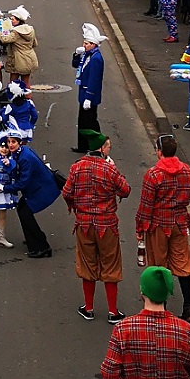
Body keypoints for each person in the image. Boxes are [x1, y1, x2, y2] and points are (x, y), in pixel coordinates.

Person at [63, 130, 133, 319]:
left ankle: (88, 308)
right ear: (102, 149)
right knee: (110, 264)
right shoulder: (110, 169)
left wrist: (77, 206)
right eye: (108, 146)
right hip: (107, 224)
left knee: (87, 263)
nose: (109, 149)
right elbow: (125, 191)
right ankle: (112, 311)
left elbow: (67, 192)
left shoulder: (77, 167)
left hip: (84, 224)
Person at [134, 134, 190, 322]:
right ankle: (189, 306)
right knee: (182, 263)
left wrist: (140, 227)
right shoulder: (187, 171)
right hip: (179, 222)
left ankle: (160, 307)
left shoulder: (154, 175)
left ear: (159, 152)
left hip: (158, 225)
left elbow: (146, 206)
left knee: (158, 264)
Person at [7, 130, 59, 258]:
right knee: (22, 210)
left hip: (42, 190)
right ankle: (32, 239)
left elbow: (23, 183)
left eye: (13, 142)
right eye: (8, 142)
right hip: (38, 188)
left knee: (25, 213)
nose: (10, 145)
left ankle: (42, 246)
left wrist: (5, 187)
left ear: (19, 142)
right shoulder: (22, 152)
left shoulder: (25, 158)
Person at [72, 23, 106, 153]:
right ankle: (83, 146)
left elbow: (94, 79)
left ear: (93, 44)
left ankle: (98, 145)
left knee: (90, 122)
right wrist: (76, 54)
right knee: (82, 121)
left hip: (89, 95)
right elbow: (75, 65)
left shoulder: (96, 58)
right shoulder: (86, 55)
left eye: (86, 43)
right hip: (83, 93)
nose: (84, 45)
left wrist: (89, 97)